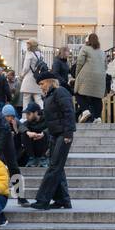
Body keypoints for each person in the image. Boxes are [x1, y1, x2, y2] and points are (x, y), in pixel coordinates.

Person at [28, 66, 75, 211]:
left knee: (54, 167)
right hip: (55, 134)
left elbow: (69, 112)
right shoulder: (50, 95)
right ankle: (63, 200)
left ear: (49, 81)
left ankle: (43, 200)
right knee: (57, 168)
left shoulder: (60, 92)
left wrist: (68, 134)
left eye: (41, 84)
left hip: (63, 135)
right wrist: (45, 132)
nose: (40, 87)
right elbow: (52, 118)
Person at [72, 33, 107, 123]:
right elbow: (105, 66)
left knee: (78, 92)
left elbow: (80, 62)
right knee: (97, 97)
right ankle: (98, 118)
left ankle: (85, 111)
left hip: (87, 75)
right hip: (100, 77)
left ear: (88, 40)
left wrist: (77, 74)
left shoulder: (85, 48)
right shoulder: (102, 52)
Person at [13, 102, 49, 167]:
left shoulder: (46, 120)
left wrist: (43, 134)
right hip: (33, 149)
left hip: (44, 148)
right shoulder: (29, 122)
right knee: (24, 134)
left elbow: (52, 128)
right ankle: (32, 159)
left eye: (28, 114)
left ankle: (44, 159)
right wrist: (28, 132)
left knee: (48, 133)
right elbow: (21, 126)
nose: (26, 116)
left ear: (36, 113)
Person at [18, 39, 47, 110]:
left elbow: (26, 68)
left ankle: (25, 117)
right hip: (37, 78)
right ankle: (44, 113)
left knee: (26, 99)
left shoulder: (29, 53)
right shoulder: (40, 54)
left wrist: (21, 75)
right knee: (38, 98)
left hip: (29, 78)